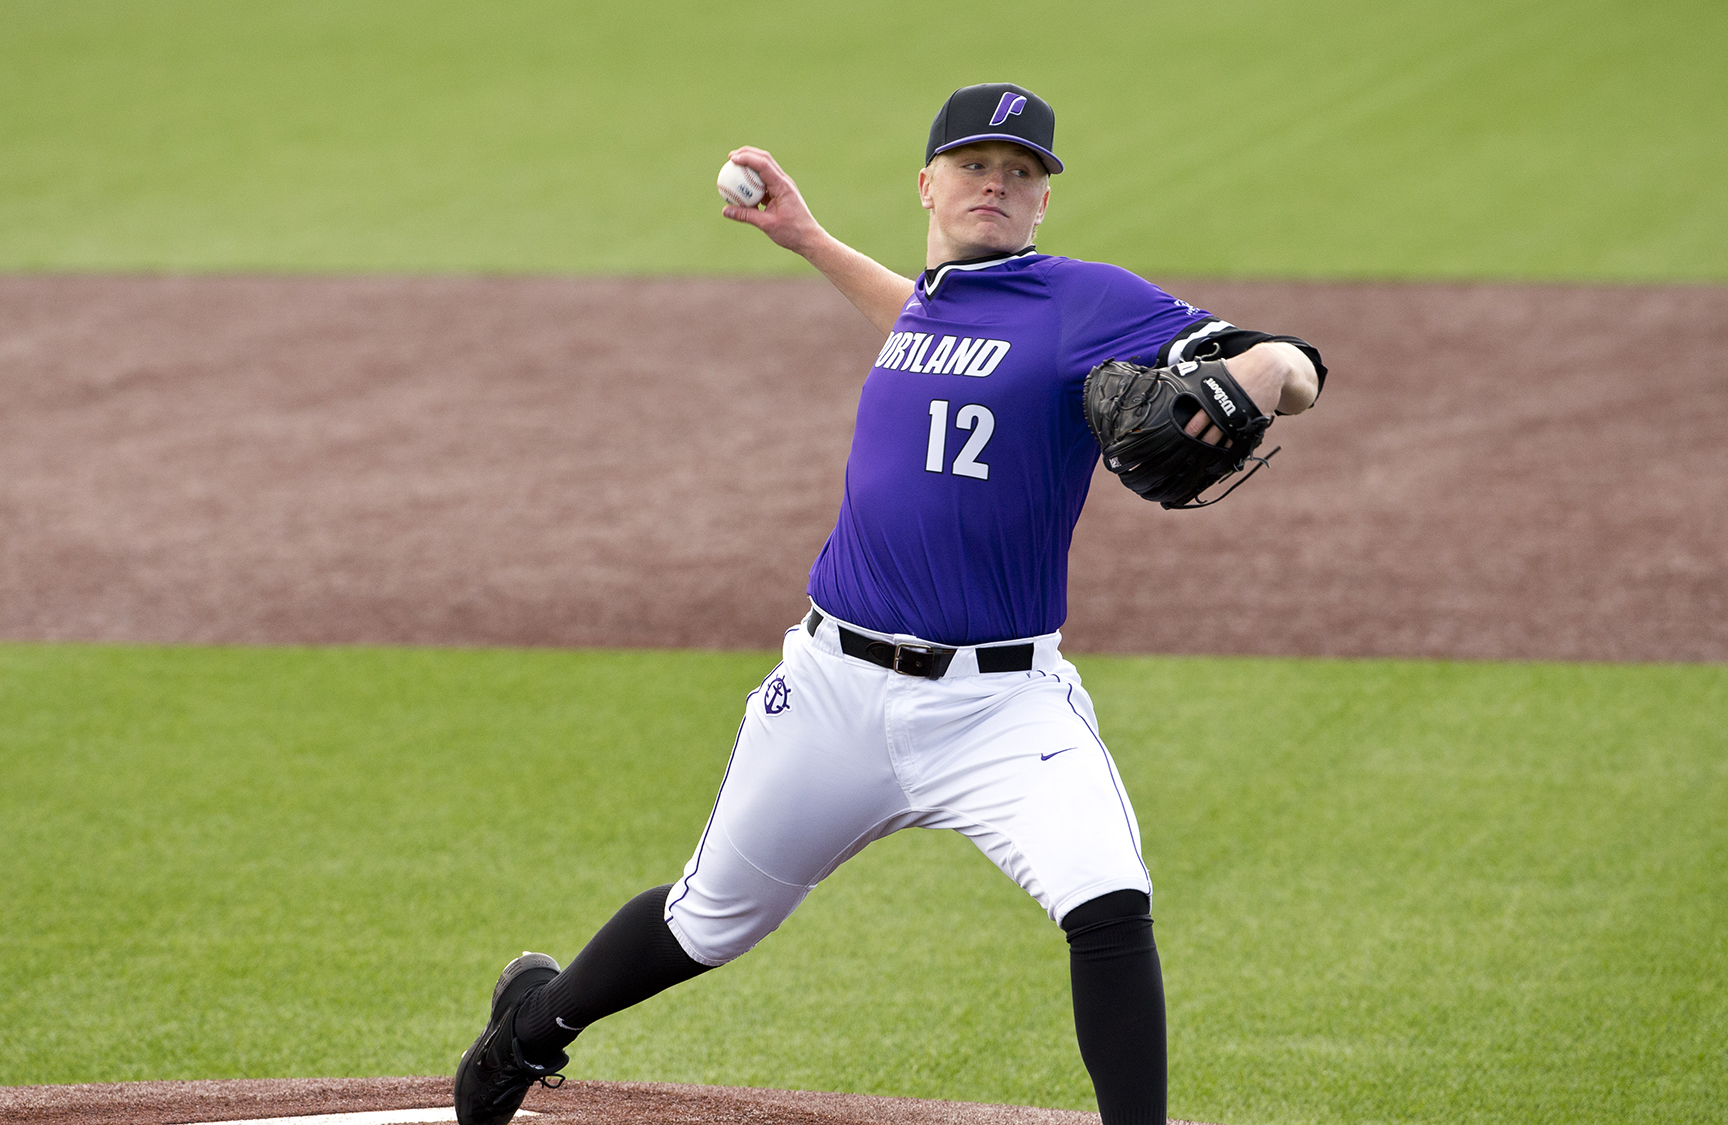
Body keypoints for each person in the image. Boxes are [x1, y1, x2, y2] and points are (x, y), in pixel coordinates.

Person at [454, 82, 1323, 1125]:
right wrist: (808, 238)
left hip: (1001, 708)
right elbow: (915, 324)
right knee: (706, 923)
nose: (994, 184)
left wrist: (1264, 374)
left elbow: (1293, 364)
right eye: (973, 165)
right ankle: (529, 1029)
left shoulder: (1083, 302)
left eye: (1019, 173)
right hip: (832, 691)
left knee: (1107, 900)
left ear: (1043, 200)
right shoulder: (935, 303)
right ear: (928, 183)